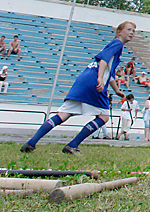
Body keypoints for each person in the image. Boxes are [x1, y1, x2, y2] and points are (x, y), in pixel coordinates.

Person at [20, 21, 135, 155]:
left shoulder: (114, 46)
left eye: (133, 31)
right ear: (119, 32)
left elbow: (109, 73)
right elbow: (103, 60)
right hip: (93, 80)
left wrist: (116, 90)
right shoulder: (117, 43)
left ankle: (31, 143)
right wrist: (99, 78)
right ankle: (72, 145)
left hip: (84, 79)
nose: (132, 32)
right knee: (104, 117)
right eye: (129, 29)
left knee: (63, 114)